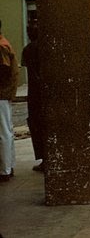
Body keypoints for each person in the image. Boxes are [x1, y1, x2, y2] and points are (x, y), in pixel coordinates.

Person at [22, 18, 45, 172]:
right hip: (43, 92)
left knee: (37, 125)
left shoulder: (28, 49)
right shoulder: (44, 48)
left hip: (35, 93)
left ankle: (44, 157)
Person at [0, 19, 20, 182]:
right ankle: (9, 165)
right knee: (7, 131)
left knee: (3, 132)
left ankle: (5, 169)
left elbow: (4, 71)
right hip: (5, 94)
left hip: (1, 93)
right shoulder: (4, 43)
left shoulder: (1, 46)